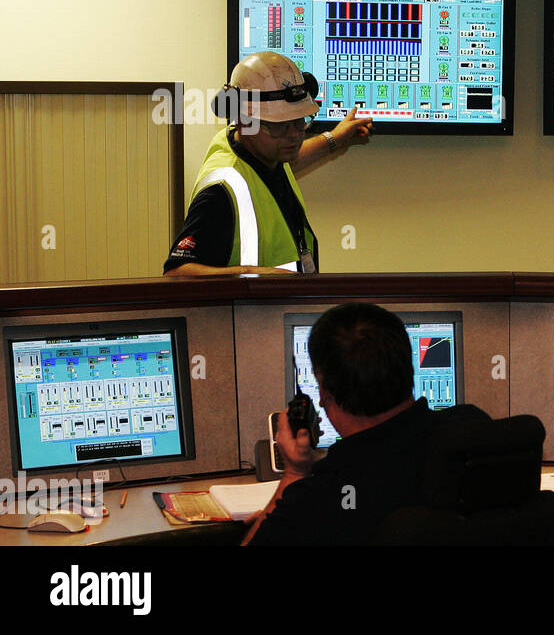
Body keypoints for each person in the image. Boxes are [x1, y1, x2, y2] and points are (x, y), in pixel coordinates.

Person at [243, 302, 488, 546]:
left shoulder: (321, 495)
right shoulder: (473, 431)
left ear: (324, 391)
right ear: (407, 367)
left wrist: (294, 475)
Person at [163, 51, 373, 276]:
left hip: (281, 307)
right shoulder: (220, 191)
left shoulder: (262, 153)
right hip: (254, 310)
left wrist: (334, 138)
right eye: (279, 126)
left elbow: (277, 171)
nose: (293, 135)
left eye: (299, 122)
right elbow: (177, 274)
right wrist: (256, 276)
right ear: (244, 120)